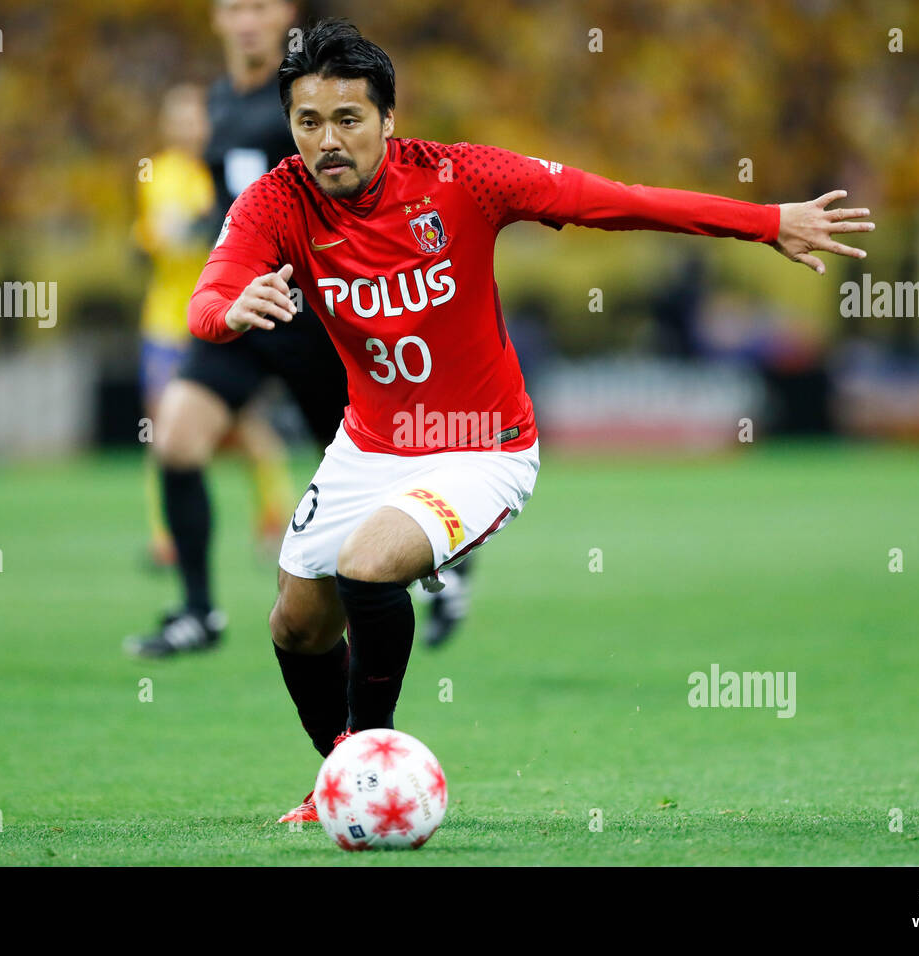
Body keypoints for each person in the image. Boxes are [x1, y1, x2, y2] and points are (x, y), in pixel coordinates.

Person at [186, 19, 874, 821]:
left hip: (483, 447)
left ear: (388, 119)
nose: (328, 141)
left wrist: (763, 222)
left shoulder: (463, 178)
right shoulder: (275, 200)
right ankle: (340, 772)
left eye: (348, 119)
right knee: (297, 625)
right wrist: (230, 312)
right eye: (309, 122)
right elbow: (207, 299)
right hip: (369, 444)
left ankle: (370, 767)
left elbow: (612, 202)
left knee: (368, 564)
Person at [125, 0, 347, 657]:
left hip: (313, 318)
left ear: (285, 14)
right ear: (218, 19)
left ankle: (441, 575)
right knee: (177, 439)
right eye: (234, 7)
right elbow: (230, 204)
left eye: (260, 6)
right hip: (244, 309)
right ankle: (198, 612)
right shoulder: (218, 102)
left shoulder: (308, 96)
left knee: (362, 469)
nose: (247, 19)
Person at [131, 83, 291, 575]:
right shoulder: (159, 173)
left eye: (193, 117)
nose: (186, 127)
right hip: (168, 322)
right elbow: (164, 237)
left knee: (245, 429)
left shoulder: (230, 161)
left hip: (225, 317)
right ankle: (167, 538)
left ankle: (274, 517)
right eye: (176, 118)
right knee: (165, 429)